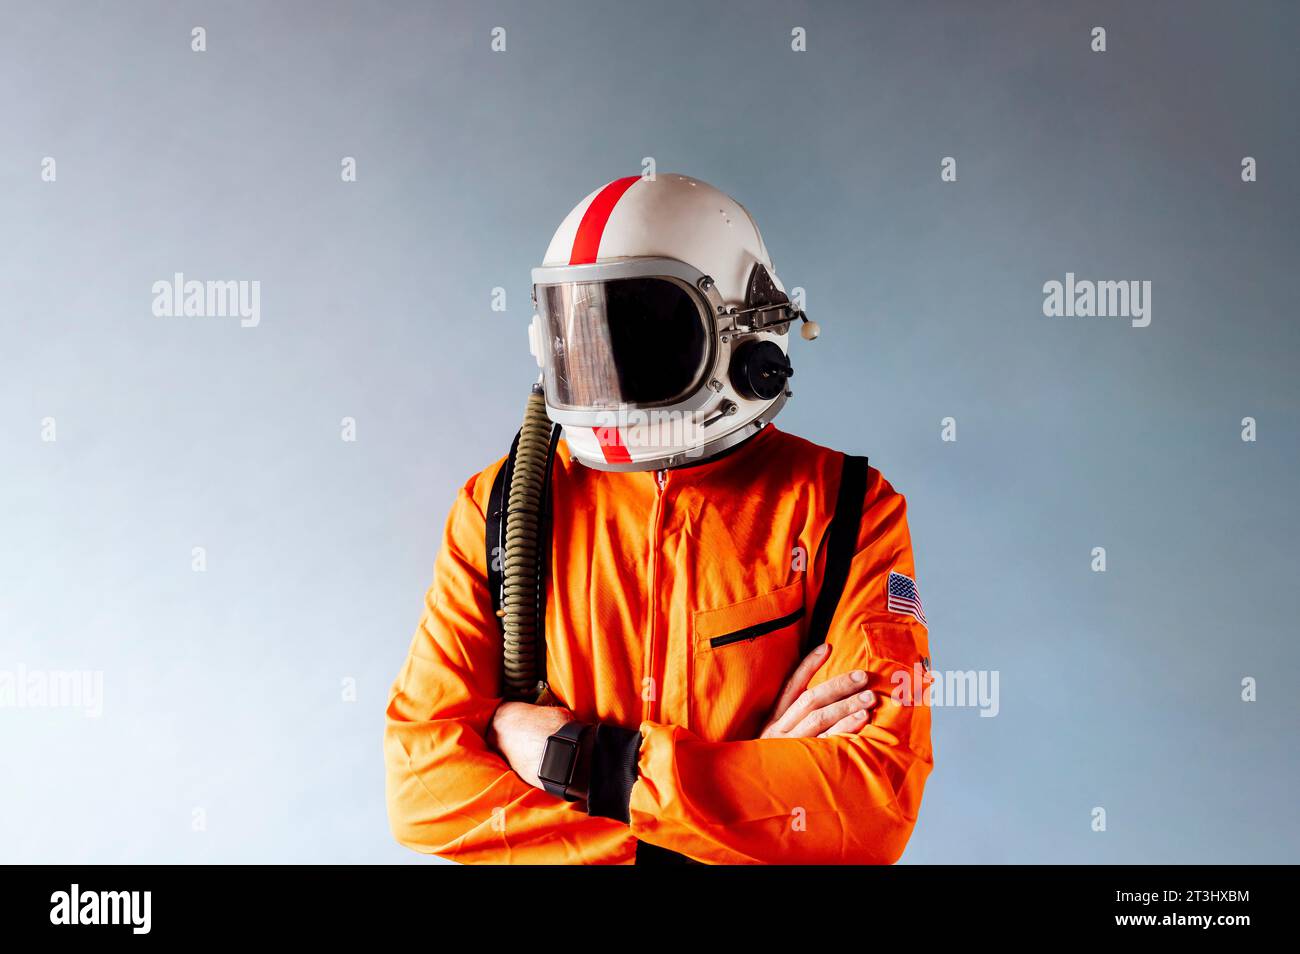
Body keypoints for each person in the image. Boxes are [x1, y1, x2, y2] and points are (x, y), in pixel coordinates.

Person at [384, 174, 933, 864]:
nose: (609, 367)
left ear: (747, 328)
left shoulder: (846, 506)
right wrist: (736, 802)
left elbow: (871, 802)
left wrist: (578, 763)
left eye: (644, 330)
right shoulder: (499, 508)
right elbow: (422, 788)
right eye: (587, 331)